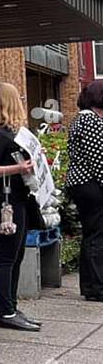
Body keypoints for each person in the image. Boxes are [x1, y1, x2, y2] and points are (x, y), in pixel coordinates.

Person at [0, 83, 40, 331]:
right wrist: (18, 168)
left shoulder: (9, 133)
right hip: (4, 202)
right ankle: (5, 311)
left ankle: (10, 307)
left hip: (16, 198)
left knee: (15, 255)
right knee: (5, 256)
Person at [65, 79, 103, 302]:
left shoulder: (85, 118)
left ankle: (91, 285)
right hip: (90, 183)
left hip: (83, 183)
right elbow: (98, 158)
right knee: (97, 234)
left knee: (92, 234)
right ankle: (96, 287)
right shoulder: (89, 119)